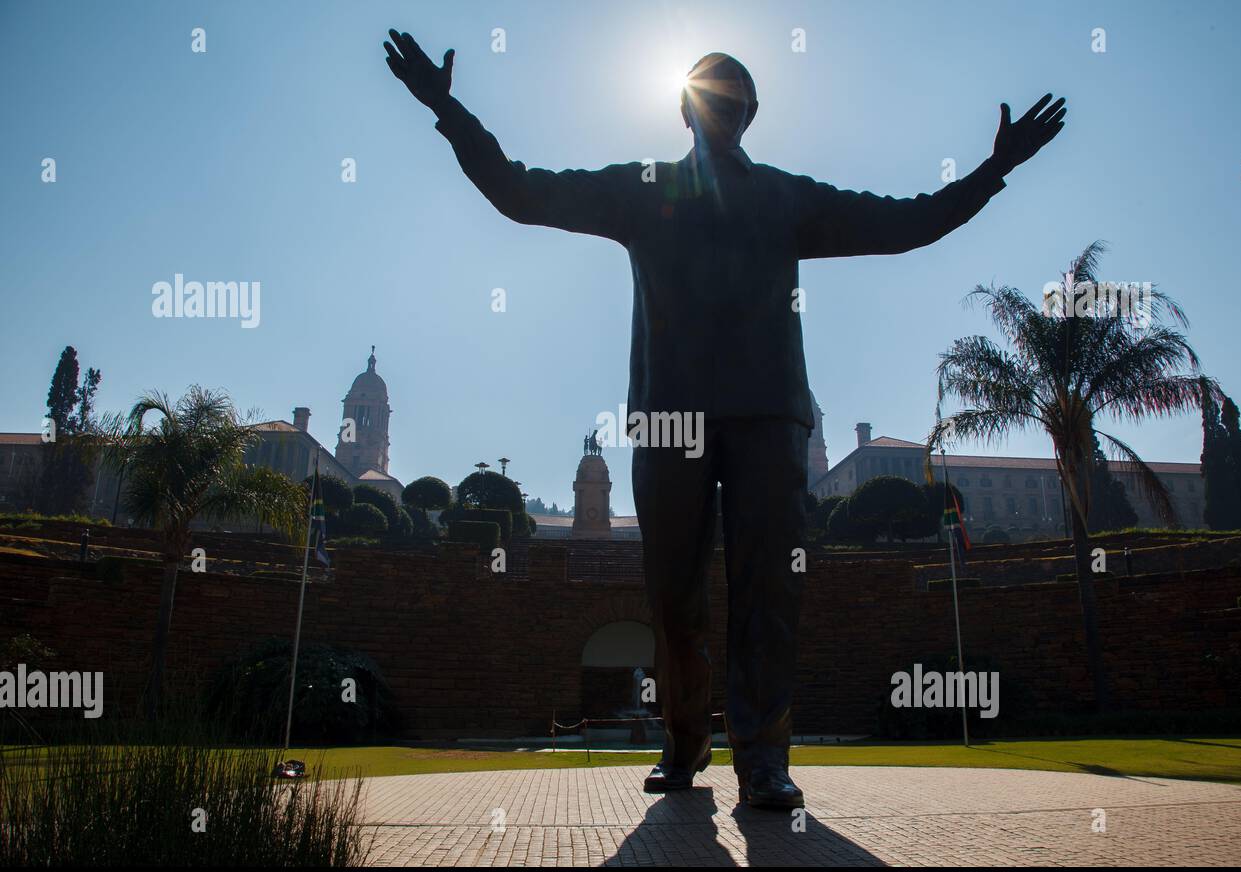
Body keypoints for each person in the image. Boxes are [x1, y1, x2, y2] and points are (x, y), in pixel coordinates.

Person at [383, 30, 1065, 809]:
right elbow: (518, 190)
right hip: (671, 417)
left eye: (733, 98)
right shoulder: (641, 189)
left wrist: (995, 168)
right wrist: (447, 109)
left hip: (770, 417)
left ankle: (763, 759)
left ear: (751, 115)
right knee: (673, 594)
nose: (721, 108)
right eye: (711, 94)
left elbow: (911, 222)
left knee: (769, 590)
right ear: (684, 108)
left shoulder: (787, 198)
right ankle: (683, 743)